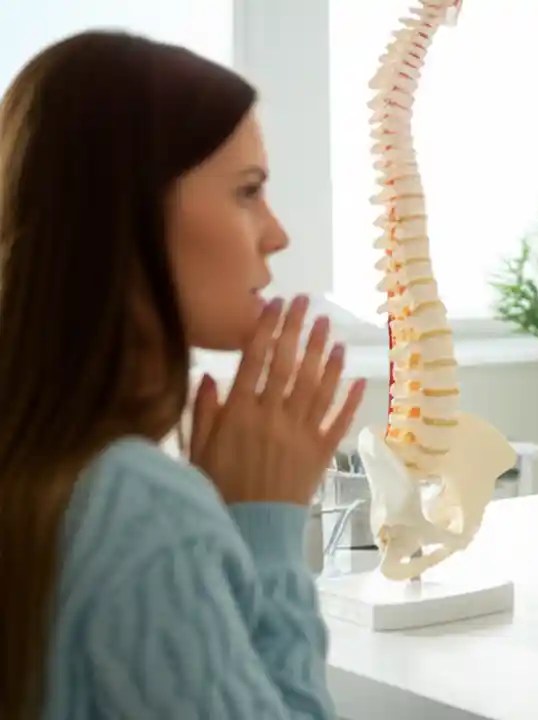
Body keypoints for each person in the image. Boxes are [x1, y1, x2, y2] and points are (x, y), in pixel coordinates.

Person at [0, 31, 366, 718]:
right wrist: (266, 536)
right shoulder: (140, 507)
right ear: (127, 210)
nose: (277, 233)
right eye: (248, 192)